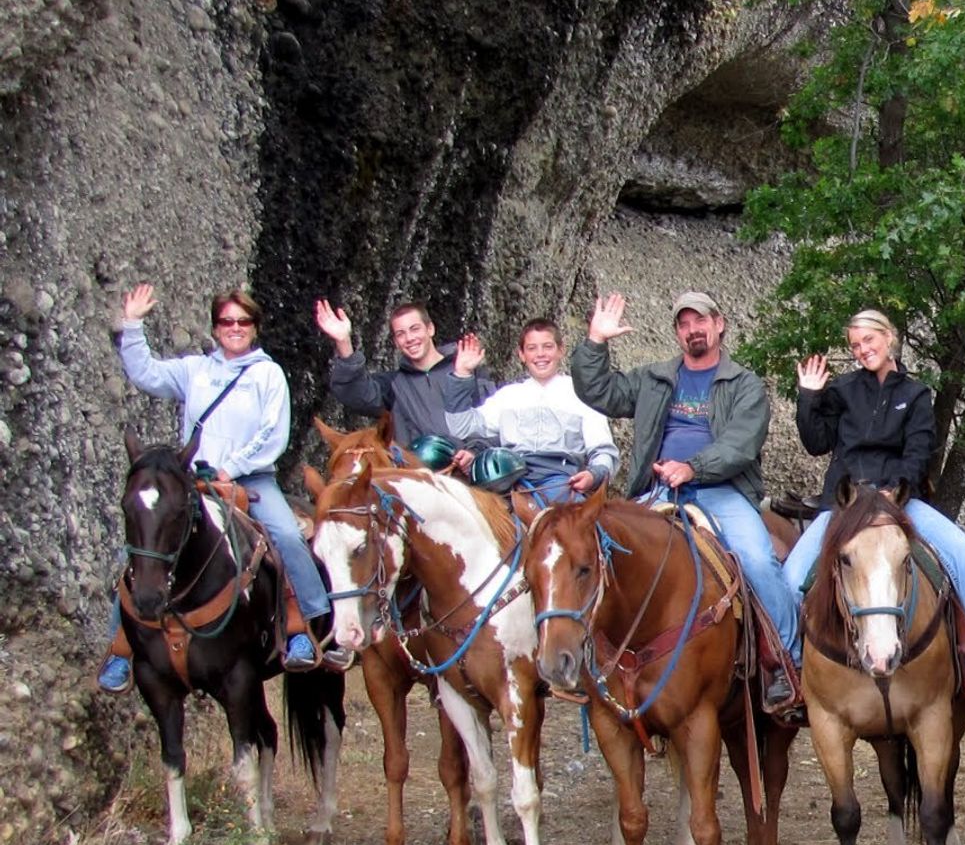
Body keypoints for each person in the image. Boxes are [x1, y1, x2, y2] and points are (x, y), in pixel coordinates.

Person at [572, 290, 801, 708]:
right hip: (656, 489)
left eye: (701, 321)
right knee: (600, 553)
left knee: (757, 559)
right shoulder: (655, 378)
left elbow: (741, 444)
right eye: (684, 323)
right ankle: (590, 659)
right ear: (677, 332)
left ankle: (786, 664)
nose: (692, 330)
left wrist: (694, 467)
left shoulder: (743, 384)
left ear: (719, 324)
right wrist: (596, 342)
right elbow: (599, 391)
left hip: (720, 490)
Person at [98, 283, 330, 691]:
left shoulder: (268, 374)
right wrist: (133, 326)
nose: (235, 328)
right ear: (215, 327)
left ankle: (302, 627)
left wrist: (234, 467)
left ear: (255, 327)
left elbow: (273, 433)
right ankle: (120, 649)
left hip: (251, 479)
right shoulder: (195, 370)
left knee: (288, 537)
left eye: (243, 321)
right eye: (226, 321)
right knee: (139, 547)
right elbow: (146, 374)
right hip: (198, 482)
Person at [782, 309, 965, 692]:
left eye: (869, 340)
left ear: (889, 338)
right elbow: (816, 442)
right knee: (792, 574)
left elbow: (920, 452)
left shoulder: (915, 394)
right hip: (847, 505)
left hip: (898, 500)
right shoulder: (843, 390)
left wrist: (896, 488)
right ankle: (791, 664)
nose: (862, 350)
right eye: (855, 345)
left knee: (962, 549)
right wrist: (808, 397)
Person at [441, 319, 618, 506]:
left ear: (561, 350)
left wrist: (594, 475)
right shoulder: (508, 396)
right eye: (532, 348)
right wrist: (462, 374)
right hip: (509, 480)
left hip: (562, 482)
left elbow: (603, 451)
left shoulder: (582, 395)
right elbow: (461, 427)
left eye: (547, 346)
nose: (540, 354)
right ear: (522, 355)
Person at [316, 300, 495, 469]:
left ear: (430, 329)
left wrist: (474, 451)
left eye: (414, 329)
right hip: (418, 479)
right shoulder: (392, 384)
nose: (409, 338)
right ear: (395, 342)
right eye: (400, 334)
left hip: (469, 474)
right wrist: (343, 342)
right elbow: (355, 395)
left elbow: (492, 422)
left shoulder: (468, 370)